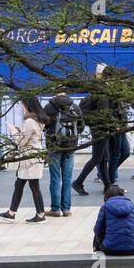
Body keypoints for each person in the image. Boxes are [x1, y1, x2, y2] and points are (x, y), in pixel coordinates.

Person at [0, 95, 48, 223]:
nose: (22, 107)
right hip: (33, 154)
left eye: (23, 104)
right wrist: (20, 130)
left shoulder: (29, 121)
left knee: (32, 186)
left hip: (29, 156)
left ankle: (39, 214)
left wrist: (13, 131)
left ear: (27, 106)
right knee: (22, 184)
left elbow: (21, 141)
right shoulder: (38, 119)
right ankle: (12, 212)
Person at [43, 89, 81, 217]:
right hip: (70, 147)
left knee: (55, 178)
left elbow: (43, 125)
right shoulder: (75, 107)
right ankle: (66, 209)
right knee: (67, 178)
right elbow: (80, 126)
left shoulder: (49, 107)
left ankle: (55, 209)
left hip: (54, 147)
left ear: (55, 94)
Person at [93, 184, 134, 255]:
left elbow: (97, 230)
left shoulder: (105, 207)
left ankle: (97, 258)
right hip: (133, 249)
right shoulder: (133, 206)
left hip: (110, 249)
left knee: (97, 234)